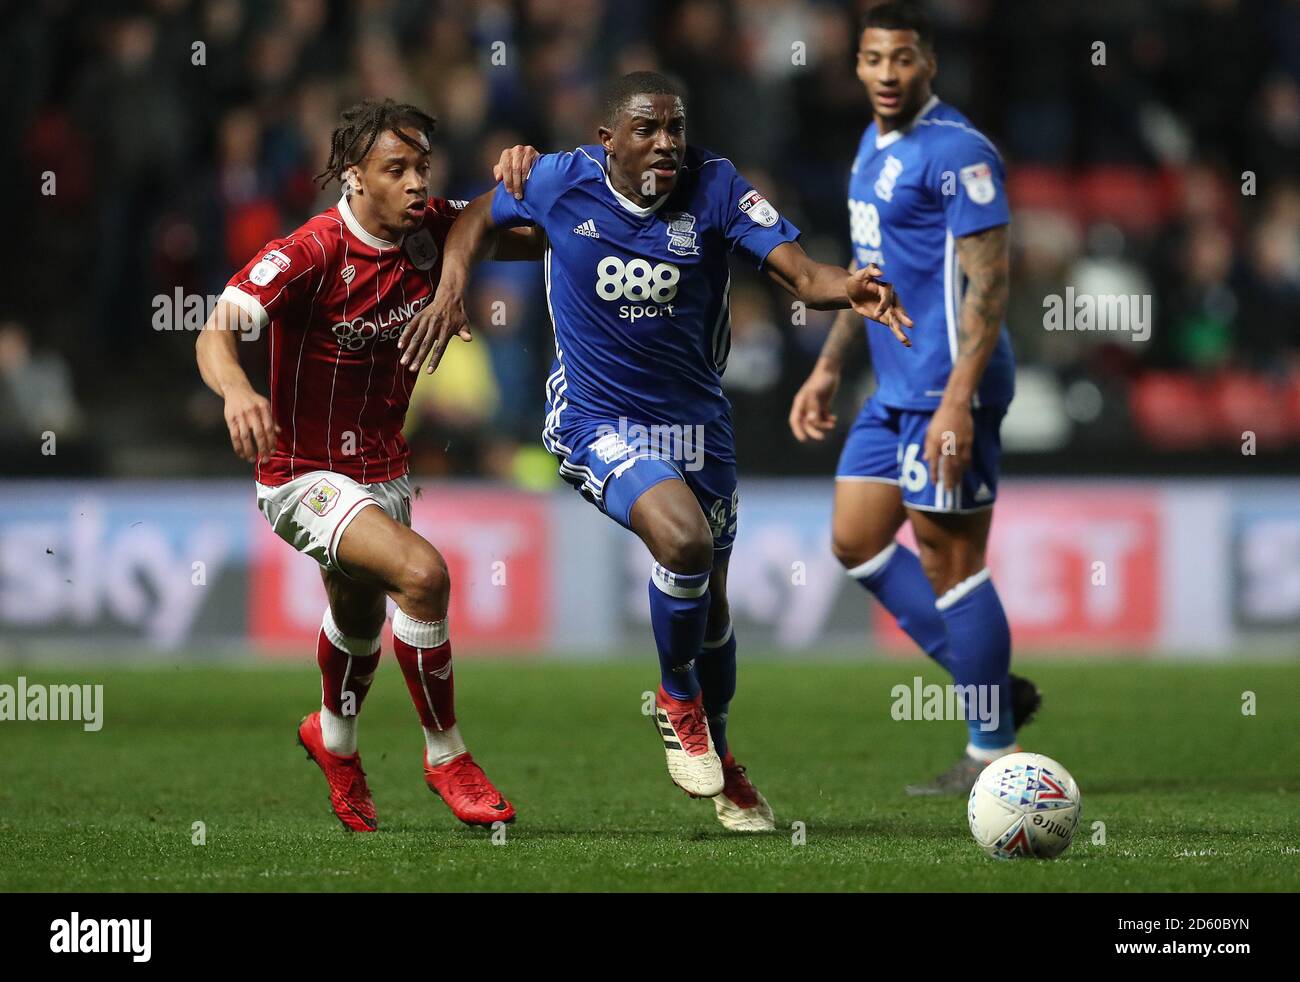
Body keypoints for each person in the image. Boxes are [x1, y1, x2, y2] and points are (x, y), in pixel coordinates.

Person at [399, 71, 913, 831]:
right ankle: (676, 698)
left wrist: (853, 289)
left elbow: (802, 275)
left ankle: (726, 762)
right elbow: (475, 216)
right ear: (608, 141)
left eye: (675, 128)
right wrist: (451, 286)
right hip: (594, 417)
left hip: (699, 425)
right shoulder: (558, 179)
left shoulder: (717, 185)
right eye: (647, 130)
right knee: (684, 540)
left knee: (712, 609)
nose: (667, 143)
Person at [195, 98, 543, 830]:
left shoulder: (432, 233)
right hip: (301, 473)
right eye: (397, 169)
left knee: (356, 621)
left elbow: (541, 235)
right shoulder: (312, 251)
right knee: (424, 576)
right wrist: (236, 391)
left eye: (422, 166)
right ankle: (448, 755)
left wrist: (534, 181)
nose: (417, 182)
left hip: (384, 471)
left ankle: (334, 738)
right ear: (355, 178)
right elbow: (217, 330)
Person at [788, 3, 1039, 795]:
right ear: (856, 65)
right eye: (873, 59)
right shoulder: (873, 143)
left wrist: (958, 402)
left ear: (928, 61)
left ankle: (991, 751)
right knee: (856, 541)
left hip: (945, 387)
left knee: (950, 559)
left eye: (903, 59)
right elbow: (871, 274)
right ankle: (992, 684)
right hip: (890, 384)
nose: (887, 74)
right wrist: (830, 364)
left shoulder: (960, 152)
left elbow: (991, 285)